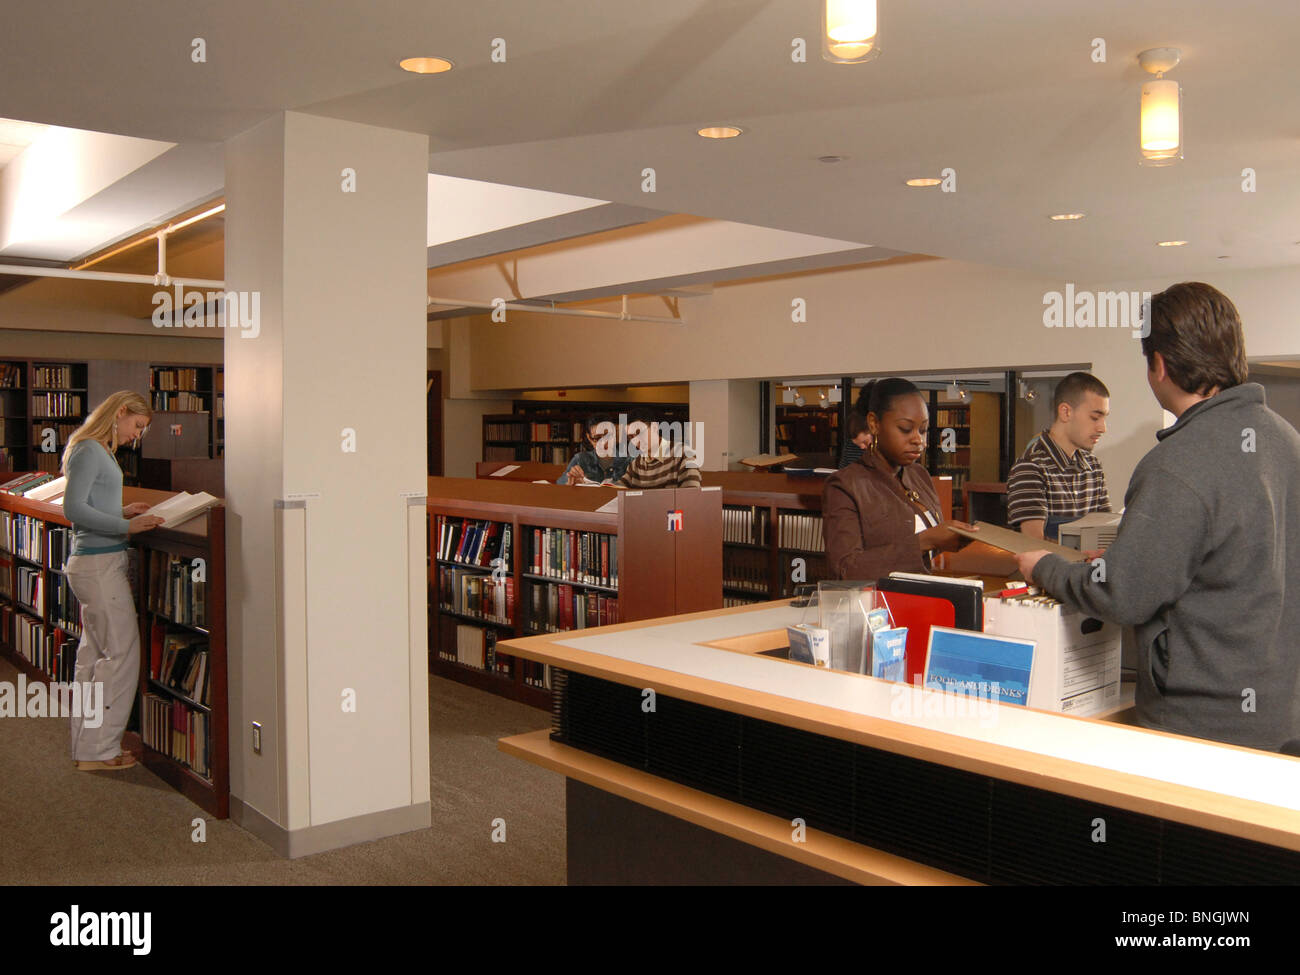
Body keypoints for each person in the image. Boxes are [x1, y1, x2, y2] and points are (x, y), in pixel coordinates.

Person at [1017, 282, 1300, 754]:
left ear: (1160, 365)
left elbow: (1122, 595)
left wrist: (1043, 568)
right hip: (1281, 715)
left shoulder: (1179, 462)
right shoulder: (1286, 442)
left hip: (1202, 728)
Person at [61, 391, 164, 771]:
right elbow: (74, 509)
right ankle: (101, 751)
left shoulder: (93, 450)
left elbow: (89, 504)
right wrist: (126, 525)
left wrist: (122, 511)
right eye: (136, 426)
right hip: (99, 566)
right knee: (121, 657)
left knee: (92, 658)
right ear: (120, 412)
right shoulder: (91, 449)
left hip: (94, 563)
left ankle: (88, 747)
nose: (135, 436)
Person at [823, 378, 974, 579]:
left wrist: (947, 539)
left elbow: (925, 553)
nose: (918, 440)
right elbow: (845, 569)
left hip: (923, 595)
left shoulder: (920, 475)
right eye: (905, 429)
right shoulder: (844, 485)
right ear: (874, 424)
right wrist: (925, 541)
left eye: (923, 430)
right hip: (875, 606)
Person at [1007, 372, 1112, 541]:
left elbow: (1106, 532)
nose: (1102, 428)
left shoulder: (1093, 466)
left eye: (1104, 418)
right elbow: (1034, 545)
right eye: (1095, 418)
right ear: (1065, 412)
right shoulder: (1030, 467)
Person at [617, 409, 701, 488]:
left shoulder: (683, 454)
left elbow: (691, 497)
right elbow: (616, 492)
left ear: (654, 427)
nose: (636, 440)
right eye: (631, 437)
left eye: (639, 433)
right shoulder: (635, 465)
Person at [557, 414, 630, 485]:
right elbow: (560, 484)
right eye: (597, 438)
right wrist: (570, 482)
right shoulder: (580, 459)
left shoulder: (628, 462)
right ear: (589, 437)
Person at [837, 400, 872, 469]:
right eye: (857, 444)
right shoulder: (849, 445)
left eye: (865, 442)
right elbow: (842, 470)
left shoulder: (884, 448)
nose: (862, 447)